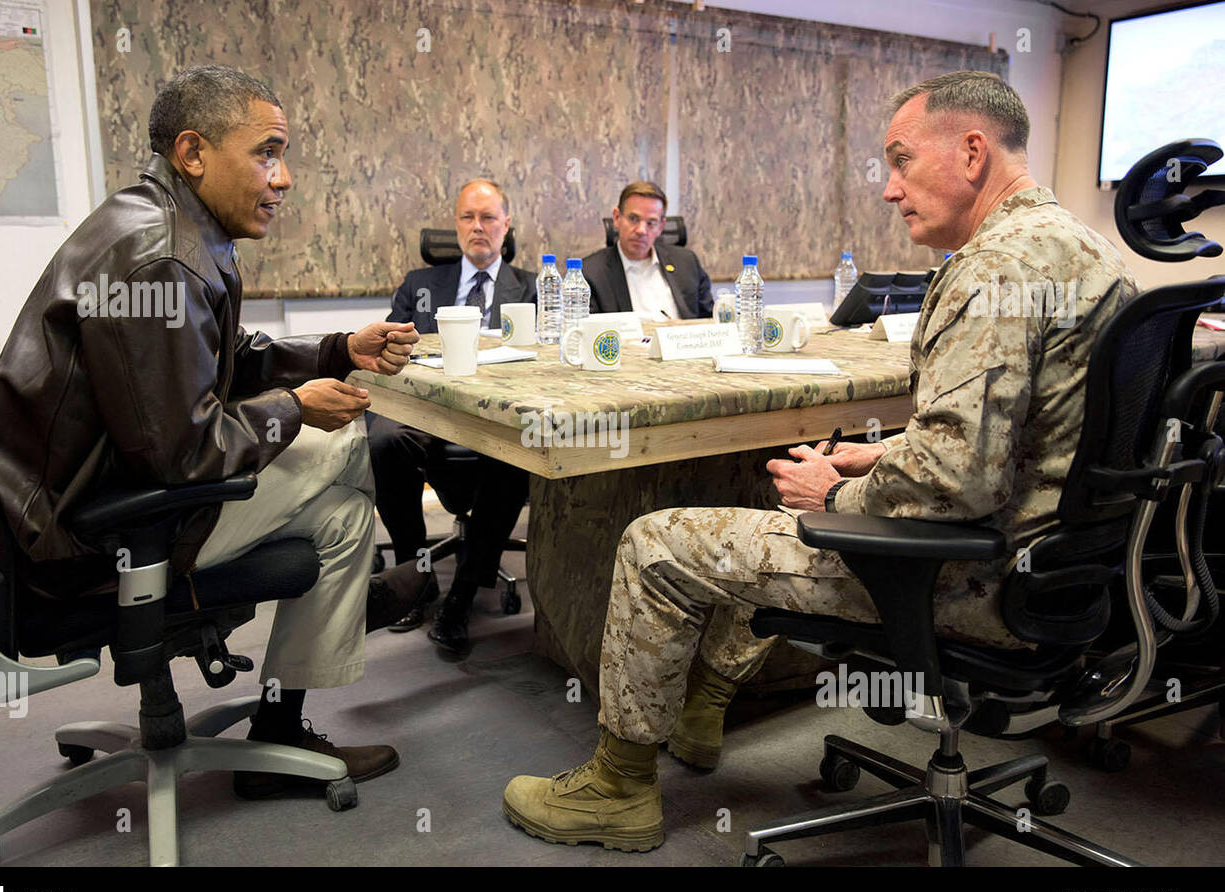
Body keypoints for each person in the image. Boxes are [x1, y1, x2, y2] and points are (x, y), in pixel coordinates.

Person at [502, 70, 1140, 851]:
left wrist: (831, 497)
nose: (889, 189)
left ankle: (618, 789)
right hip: (1061, 576)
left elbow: (956, 480)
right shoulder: (1091, 253)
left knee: (657, 541)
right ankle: (703, 708)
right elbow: (1024, 439)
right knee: (774, 513)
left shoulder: (990, 271)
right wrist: (874, 455)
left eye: (901, 160)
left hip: (967, 579)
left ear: (972, 152)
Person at [0, 66, 430, 799]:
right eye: (268, 152)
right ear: (193, 152)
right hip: (93, 535)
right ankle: (387, 591)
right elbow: (183, 452)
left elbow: (220, 362)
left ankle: (289, 715)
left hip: (83, 498)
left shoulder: (163, 222)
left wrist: (338, 349)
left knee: (342, 518)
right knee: (346, 443)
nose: (284, 178)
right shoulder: (166, 257)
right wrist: (297, 407)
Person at [369, 180, 536, 656]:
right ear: (455, 225)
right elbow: (389, 354)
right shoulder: (421, 286)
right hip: (428, 414)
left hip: (503, 415)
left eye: (488, 218)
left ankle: (462, 595)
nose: (478, 227)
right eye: (468, 217)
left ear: (507, 225)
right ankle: (414, 576)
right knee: (382, 441)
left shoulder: (532, 289)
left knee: (517, 450)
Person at [581, 181, 713, 319]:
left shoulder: (686, 262)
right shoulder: (591, 273)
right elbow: (591, 334)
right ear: (616, 217)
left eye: (651, 223)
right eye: (633, 219)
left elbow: (711, 321)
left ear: (661, 226)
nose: (641, 230)